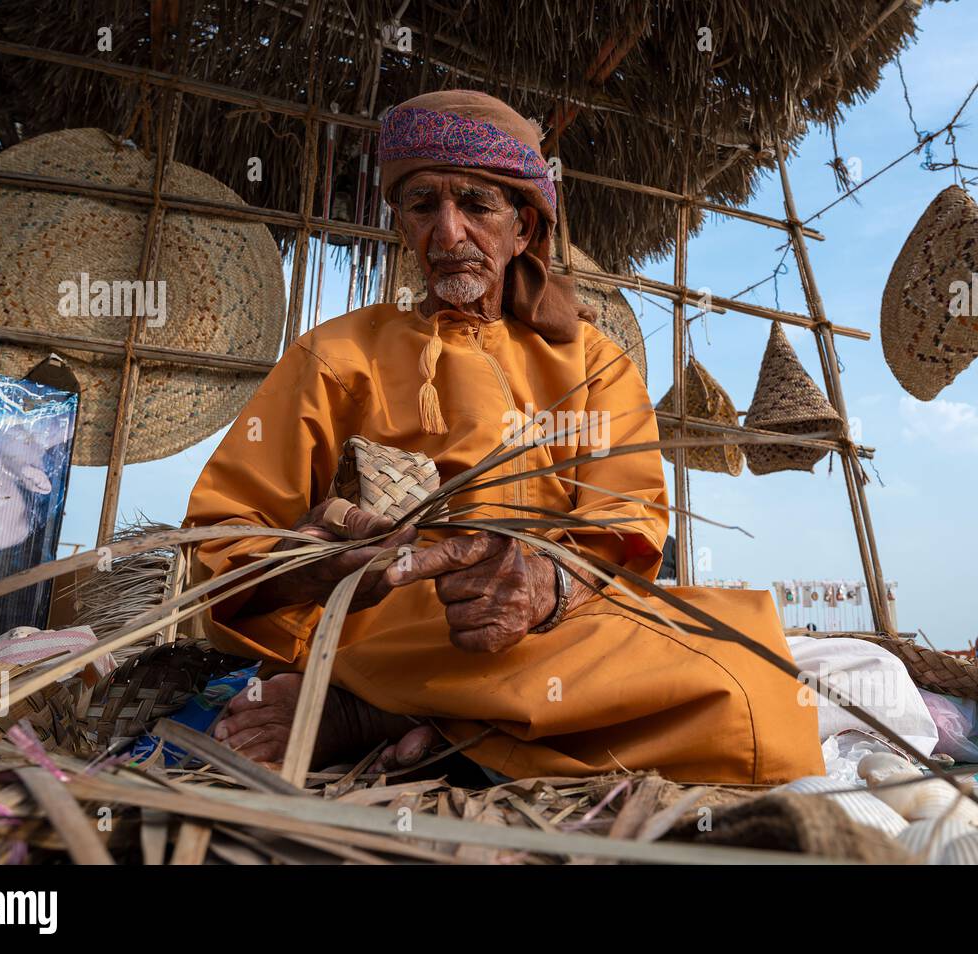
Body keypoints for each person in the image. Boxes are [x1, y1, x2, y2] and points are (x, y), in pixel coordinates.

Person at [182, 90, 824, 783]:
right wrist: (310, 563)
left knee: (748, 679)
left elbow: (629, 519)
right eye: (423, 205)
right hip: (387, 633)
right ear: (401, 223)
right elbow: (219, 539)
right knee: (730, 705)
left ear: (523, 228)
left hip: (554, 635)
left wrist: (548, 584)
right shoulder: (337, 355)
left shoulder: (593, 362)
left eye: (477, 206)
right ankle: (410, 707)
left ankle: (388, 717)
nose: (448, 233)